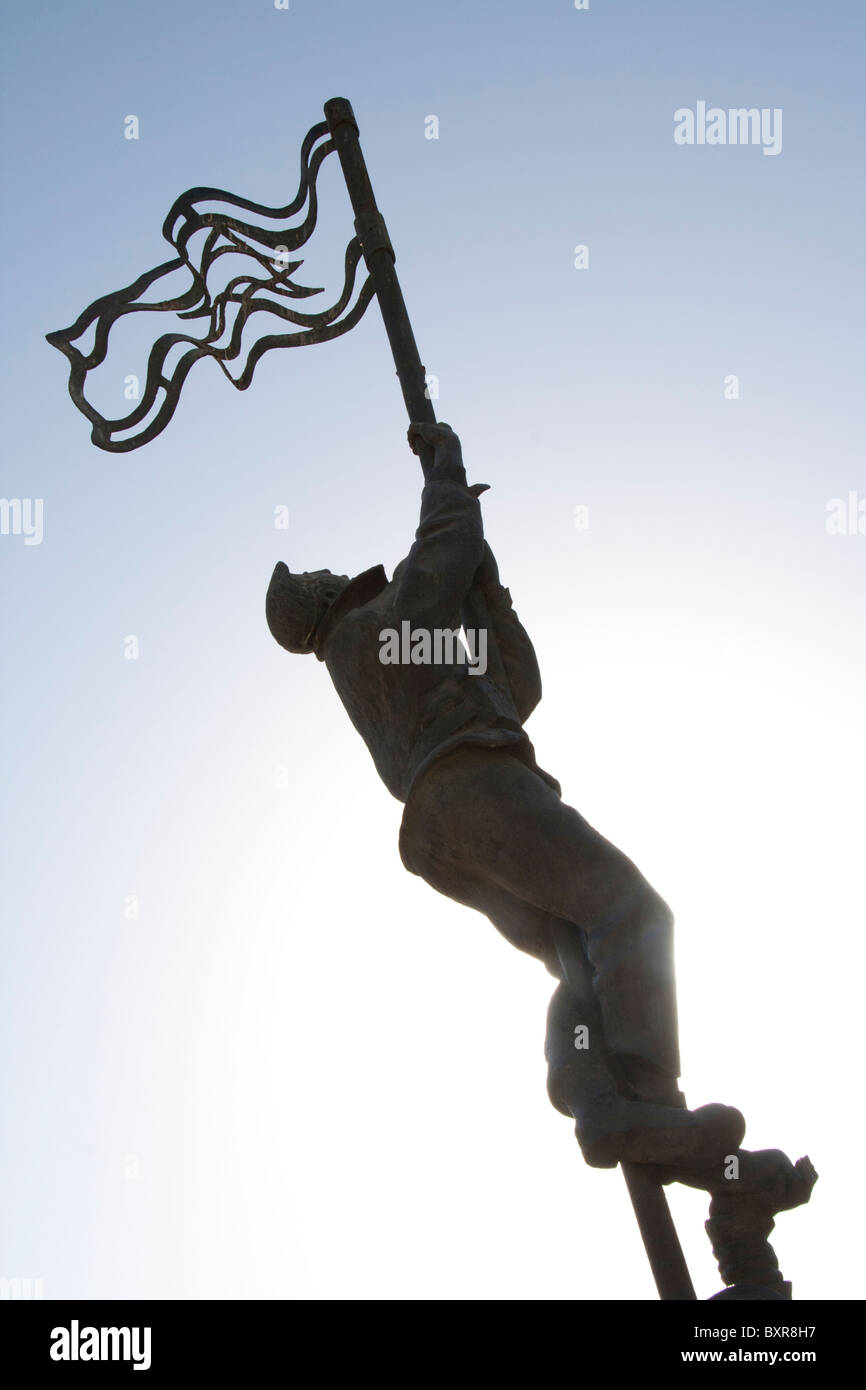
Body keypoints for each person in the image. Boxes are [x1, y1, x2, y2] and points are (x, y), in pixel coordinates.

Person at [266, 422, 744, 1173]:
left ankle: (597, 1098)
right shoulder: (369, 634)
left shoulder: (396, 646)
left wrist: (485, 584)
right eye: (325, 571)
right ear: (323, 595)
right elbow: (439, 558)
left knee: (581, 956)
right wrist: (444, 469)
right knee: (630, 908)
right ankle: (652, 1098)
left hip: (443, 823)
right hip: (470, 789)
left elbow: (514, 683)